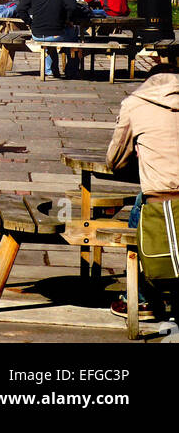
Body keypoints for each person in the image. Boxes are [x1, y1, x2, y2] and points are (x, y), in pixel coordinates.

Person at [105, 46, 179, 321]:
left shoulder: (136, 103)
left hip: (160, 199)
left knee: (143, 204)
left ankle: (143, 298)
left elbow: (114, 160)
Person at [15, 0, 90, 79]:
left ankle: (50, 70)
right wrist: (68, 20)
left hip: (37, 33)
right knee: (73, 36)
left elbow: (20, 9)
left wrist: (30, 23)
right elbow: (72, 7)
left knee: (50, 41)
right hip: (57, 33)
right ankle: (71, 69)